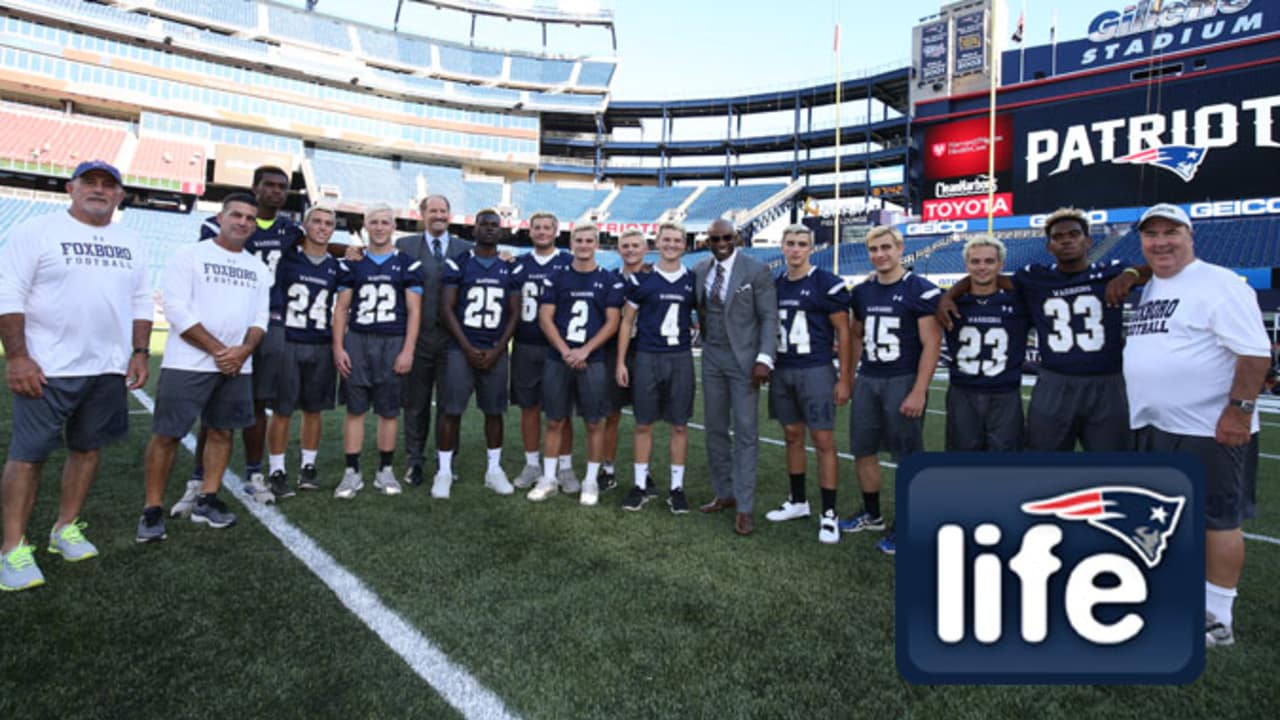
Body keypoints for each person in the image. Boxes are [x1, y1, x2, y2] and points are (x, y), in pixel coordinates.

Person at [1122, 203, 1271, 648]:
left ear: (1191, 237)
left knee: (1217, 520)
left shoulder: (1219, 283)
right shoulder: (1154, 285)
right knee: (1171, 517)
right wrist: (1132, 275)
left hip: (1209, 428)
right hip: (1156, 424)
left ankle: (1218, 617)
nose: (1161, 242)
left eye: (1172, 233)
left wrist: (1239, 411)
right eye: (1152, 235)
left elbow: (1255, 354)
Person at [0, 161, 151, 590]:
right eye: (90, 182)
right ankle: (12, 548)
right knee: (28, 456)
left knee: (87, 450)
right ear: (72, 187)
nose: (99, 190)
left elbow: (141, 300)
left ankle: (64, 527)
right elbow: (7, 293)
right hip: (48, 367)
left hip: (106, 367)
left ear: (120, 195)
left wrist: (139, 352)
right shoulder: (37, 231)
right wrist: (17, 357)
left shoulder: (131, 240)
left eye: (109, 185)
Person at [938, 207, 1132, 452]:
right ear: (1049, 246)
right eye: (1058, 237)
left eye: (1074, 234)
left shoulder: (1112, 272)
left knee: (1111, 462)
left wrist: (1132, 273)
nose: (1067, 240)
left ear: (1088, 241)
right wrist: (950, 294)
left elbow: (1149, 272)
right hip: (1053, 380)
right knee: (1041, 458)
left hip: (1106, 381)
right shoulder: (1034, 278)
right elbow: (986, 279)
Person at [136, 193, 270, 542]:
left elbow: (260, 318)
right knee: (167, 434)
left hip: (237, 365)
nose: (243, 222)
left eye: (250, 218)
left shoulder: (257, 268)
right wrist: (218, 349)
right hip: (189, 363)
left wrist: (242, 350)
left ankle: (208, 498)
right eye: (236, 215)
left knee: (222, 432)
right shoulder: (189, 255)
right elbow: (177, 309)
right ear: (221, 217)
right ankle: (152, 509)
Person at [182, 166, 303, 512]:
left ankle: (254, 473)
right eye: (269, 185)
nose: (276, 192)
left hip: (270, 322)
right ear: (255, 187)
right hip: (226, 322)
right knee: (214, 402)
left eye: (282, 187)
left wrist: (348, 252)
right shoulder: (220, 225)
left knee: (258, 404)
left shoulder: (290, 229)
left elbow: (318, 244)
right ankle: (198, 476)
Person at [840, 225, 942, 556]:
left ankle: (909, 523)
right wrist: (851, 375)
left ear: (900, 249)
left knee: (907, 457)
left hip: (902, 378)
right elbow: (856, 334)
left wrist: (919, 390)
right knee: (863, 449)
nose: (880, 255)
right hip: (870, 377)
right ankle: (872, 514)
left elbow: (931, 344)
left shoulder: (920, 289)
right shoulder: (863, 292)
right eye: (874, 249)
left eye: (886, 247)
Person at [762, 225, 852, 543]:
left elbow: (844, 332)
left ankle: (829, 513)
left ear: (811, 248)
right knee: (791, 435)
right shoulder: (774, 285)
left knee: (824, 440)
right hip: (783, 369)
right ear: (782, 247)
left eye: (802, 244)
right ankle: (798, 501)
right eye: (791, 244)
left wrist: (844, 378)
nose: (796, 249)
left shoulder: (826, 283)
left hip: (815, 368)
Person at [528, 223, 624, 504]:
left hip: (593, 360)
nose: (583, 245)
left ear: (596, 244)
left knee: (594, 423)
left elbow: (612, 322)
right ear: (571, 244)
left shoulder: (609, 280)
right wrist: (566, 350)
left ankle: (591, 481)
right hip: (558, 358)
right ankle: (548, 478)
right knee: (555, 420)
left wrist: (584, 351)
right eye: (579, 240)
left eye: (589, 240)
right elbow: (545, 318)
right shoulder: (556, 277)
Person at [331, 205, 422, 499]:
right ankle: (352, 472)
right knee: (355, 409)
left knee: (388, 410)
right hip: (358, 338)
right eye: (374, 222)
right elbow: (342, 308)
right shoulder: (352, 264)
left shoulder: (408, 264)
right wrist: (338, 346)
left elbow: (414, 311)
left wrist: (408, 350)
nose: (380, 227)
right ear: (365, 227)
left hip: (392, 340)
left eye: (385, 222)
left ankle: (385, 470)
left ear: (393, 226)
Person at [693, 219, 777, 536]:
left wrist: (764, 358)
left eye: (726, 237)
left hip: (744, 360)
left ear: (736, 237)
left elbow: (769, 317)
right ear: (708, 240)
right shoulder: (701, 269)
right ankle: (724, 493)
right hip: (712, 356)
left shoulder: (756, 270)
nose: (721, 242)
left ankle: (744, 507)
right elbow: (697, 307)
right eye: (715, 237)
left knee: (745, 432)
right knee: (714, 428)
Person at [435, 209, 520, 498]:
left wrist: (498, 349)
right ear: (474, 229)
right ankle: (444, 471)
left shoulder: (510, 267)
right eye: (484, 224)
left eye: (494, 225)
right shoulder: (459, 263)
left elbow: (515, 312)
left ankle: (493, 470)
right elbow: (447, 308)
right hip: (462, 347)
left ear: (501, 231)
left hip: (495, 349)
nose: (489, 229)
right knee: (451, 410)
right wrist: (467, 347)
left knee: (494, 411)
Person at [616, 222, 696, 513]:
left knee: (679, 425)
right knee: (643, 423)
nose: (672, 244)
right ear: (657, 243)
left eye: (677, 240)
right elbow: (626, 322)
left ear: (684, 245)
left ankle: (677, 488)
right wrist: (621, 362)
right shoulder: (641, 280)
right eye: (667, 240)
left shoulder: (692, 280)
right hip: (648, 356)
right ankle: (639, 485)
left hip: (680, 357)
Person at [264, 205, 343, 496]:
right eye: (317, 222)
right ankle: (277, 469)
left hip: (320, 343)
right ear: (305, 226)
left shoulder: (336, 265)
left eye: (328, 223)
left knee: (314, 409)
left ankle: (308, 466)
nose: (323, 227)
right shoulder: (287, 260)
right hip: (290, 340)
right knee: (282, 410)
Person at [396, 195, 472, 487]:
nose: (439, 215)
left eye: (443, 211)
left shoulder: (466, 249)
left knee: (450, 405)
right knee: (415, 404)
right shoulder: (404, 246)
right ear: (422, 214)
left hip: (453, 342)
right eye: (433, 211)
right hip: (418, 338)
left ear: (449, 215)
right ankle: (414, 461)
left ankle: (447, 462)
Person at [942, 236, 1029, 451]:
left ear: (1001, 265)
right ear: (966, 265)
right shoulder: (949, 303)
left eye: (989, 261)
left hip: (1005, 393)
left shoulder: (1020, 301)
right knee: (961, 463)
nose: (982, 267)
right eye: (975, 261)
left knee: (1005, 464)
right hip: (962, 392)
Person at [508, 212, 575, 492]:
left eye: (548, 227)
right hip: (525, 343)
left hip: (558, 347)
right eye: (537, 228)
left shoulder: (569, 263)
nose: (543, 232)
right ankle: (532, 462)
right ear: (530, 231)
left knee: (562, 411)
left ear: (556, 231)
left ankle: (565, 466)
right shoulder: (518, 264)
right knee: (529, 407)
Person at [603, 229, 651, 494]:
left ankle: (644, 472)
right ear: (619, 250)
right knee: (612, 413)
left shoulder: (656, 277)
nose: (630, 250)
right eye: (625, 245)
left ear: (645, 249)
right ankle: (608, 469)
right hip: (615, 351)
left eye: (635, 245)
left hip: (646, 350)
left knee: (645, 417)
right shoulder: (610, 279)